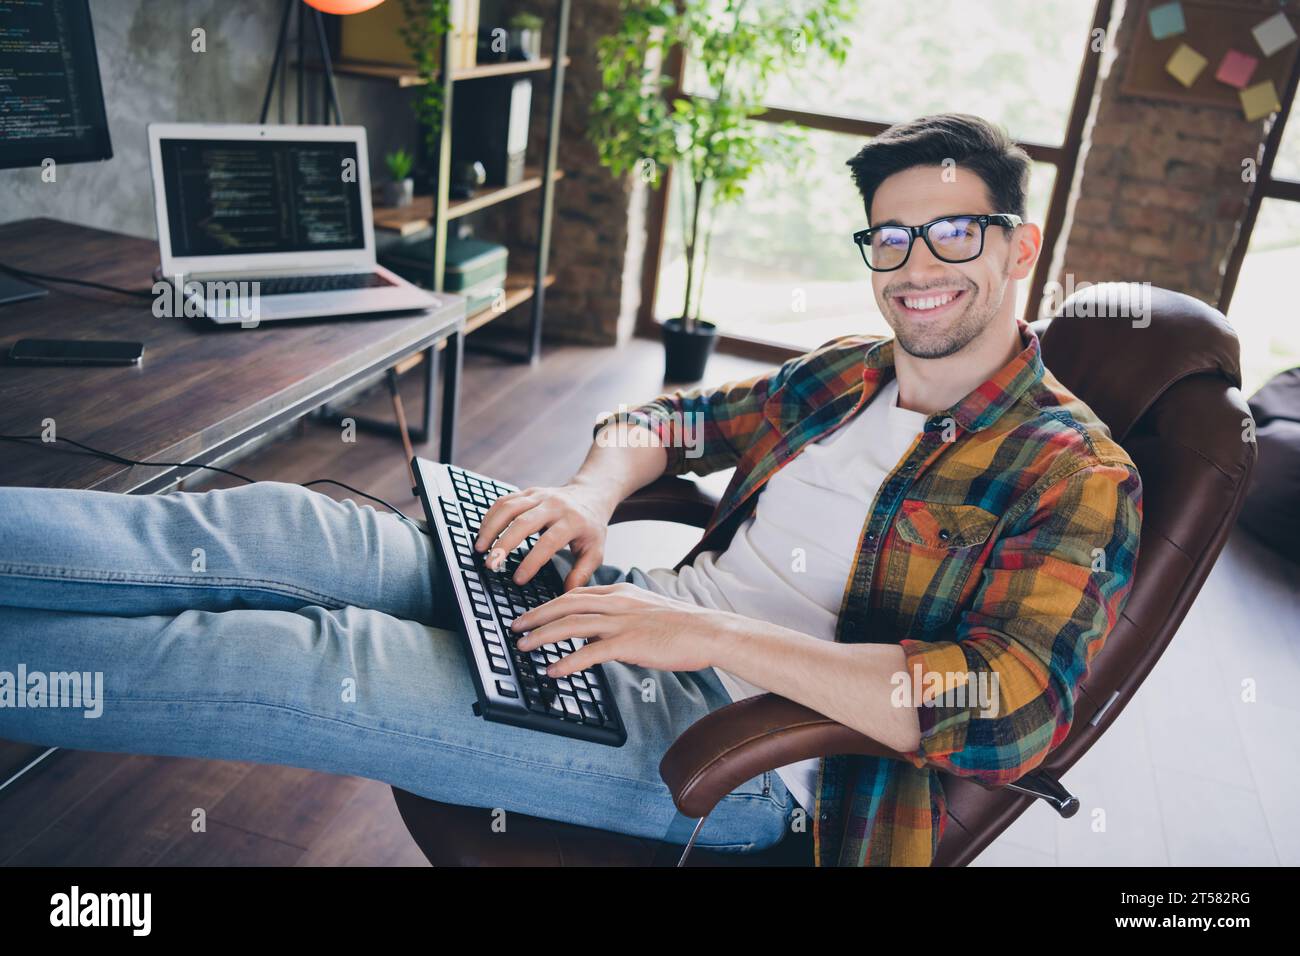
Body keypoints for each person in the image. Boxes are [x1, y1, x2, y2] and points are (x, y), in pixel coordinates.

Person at [0, 113, 1141, 867]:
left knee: (291, 654)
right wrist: (592, 495)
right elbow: (671, 418)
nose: (915, 266)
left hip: (744, 752)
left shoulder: (1071, 470)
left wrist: (687, 628)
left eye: (950, 231)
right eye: (888, 238)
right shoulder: (852, 369)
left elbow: (1007, 707)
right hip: (630, 611)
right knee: (281, 526)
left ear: (1017, 244)